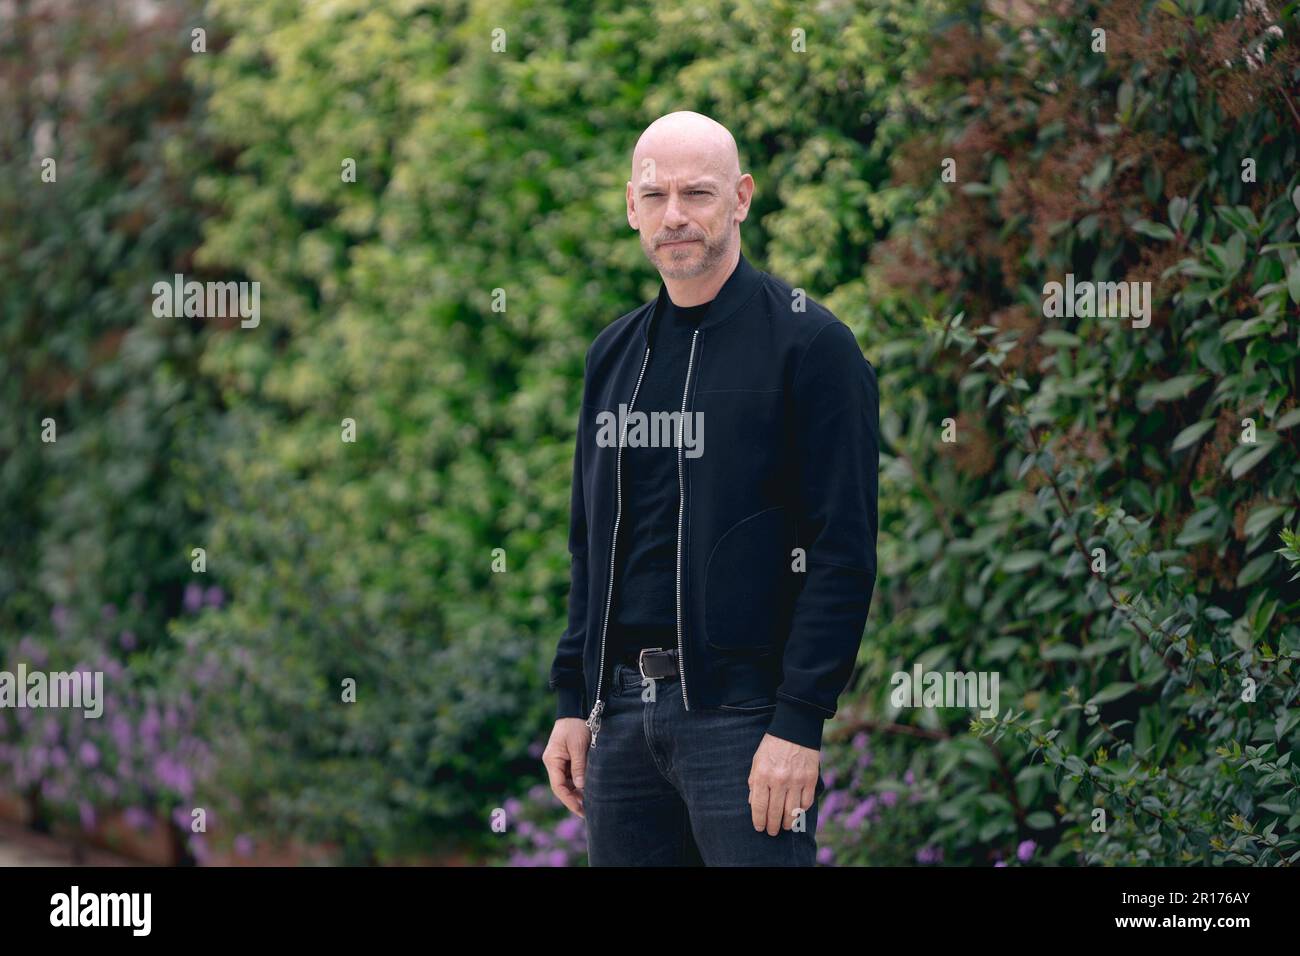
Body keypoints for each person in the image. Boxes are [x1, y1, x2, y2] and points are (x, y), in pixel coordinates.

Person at [542, 110, 879, 866]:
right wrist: (574, 700)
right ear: (631, 206)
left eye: (697, 193)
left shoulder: (812, 346)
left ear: (742, 198)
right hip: (620, 721)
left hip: (744, 721)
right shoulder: (614, 356)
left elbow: (843, 552)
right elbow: (590, 545)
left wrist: (798, 722)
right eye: (655, 195)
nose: (675, 216)